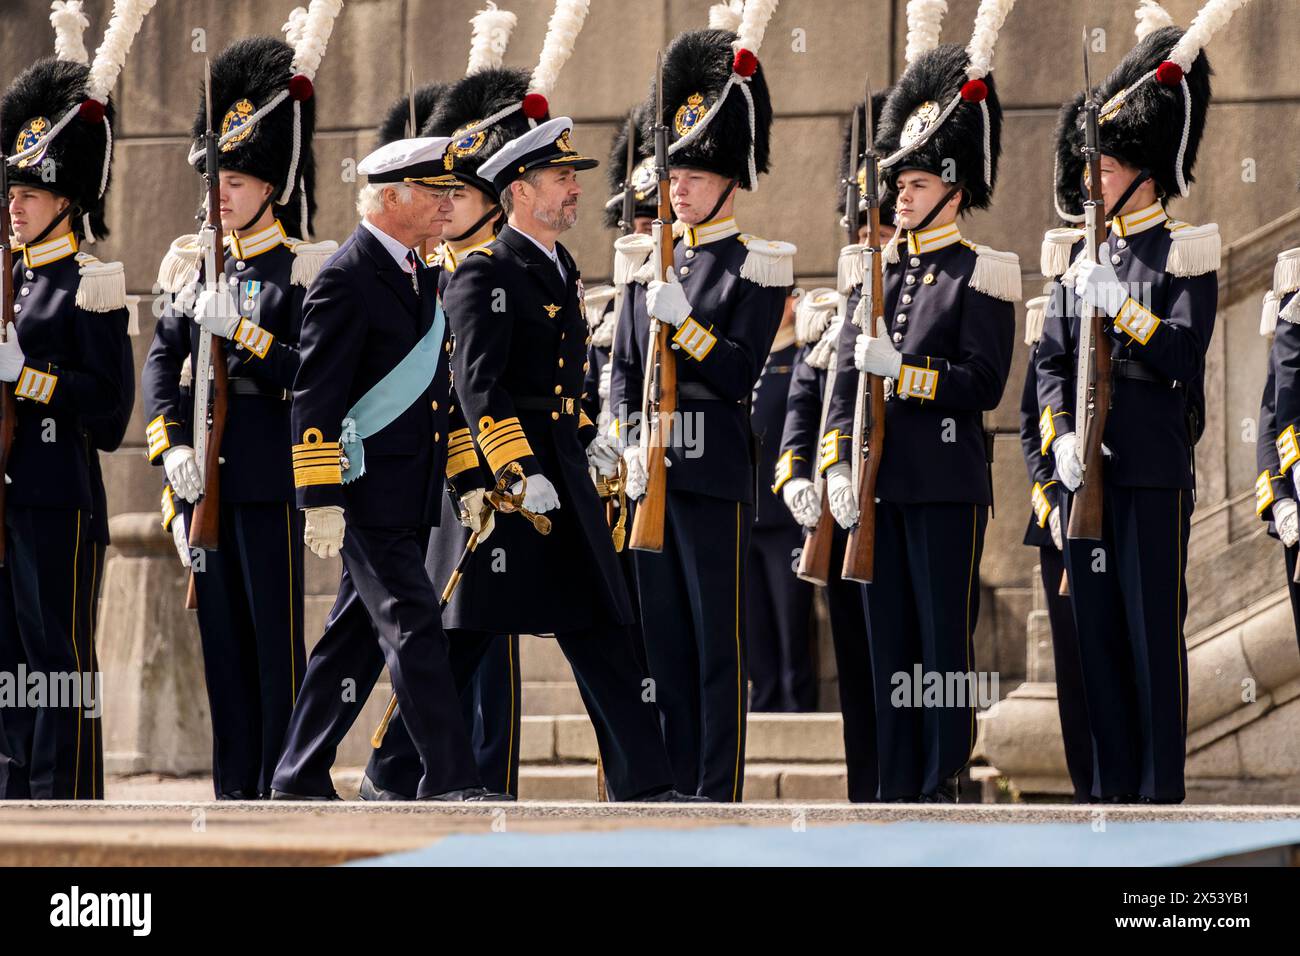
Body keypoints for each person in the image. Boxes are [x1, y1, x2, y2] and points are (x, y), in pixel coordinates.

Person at [1035, 12, 1235, 802]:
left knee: (1152, 639)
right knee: (1096, 642)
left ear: (1144, 173)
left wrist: (1123, 308)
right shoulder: (1078, 255)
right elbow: (1051, 366)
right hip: (1086, 474)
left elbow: (1185, 359)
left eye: (1106, 171)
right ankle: (1108, 801)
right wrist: (1057, 442)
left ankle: (1158, 802)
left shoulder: (1184, 252)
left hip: (1151, 472)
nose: (1092, 186)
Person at [823, 17, 1021, 802]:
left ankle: (944, 775)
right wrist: (836, 456)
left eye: (915, 186)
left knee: (942, 645)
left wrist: (902, 373)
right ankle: (896, 782)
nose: (900, 197)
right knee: (885, 643)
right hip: (877, 483)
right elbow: (842, 379)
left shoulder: (984, 272)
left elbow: (981, 384)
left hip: (942, 482)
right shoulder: (871, 270)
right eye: (898, 186)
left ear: (954, 190)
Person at [143, 20, 339, 800]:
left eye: (236, 180)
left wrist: (246, 333)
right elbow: (163, 364)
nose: (220, 194)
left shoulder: (304, 269)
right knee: (220, 652)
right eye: (214, 180)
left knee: (273, 653)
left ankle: (282, 791)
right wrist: (170, 452)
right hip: (202, 482)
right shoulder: (189, 263)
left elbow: (312, 376)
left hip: (265, 479)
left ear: (272, 185)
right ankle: (233, 799)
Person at [269, 136, 499, 801]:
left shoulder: (421, 270)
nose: (448, 205)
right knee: (415, 623)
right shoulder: (347, 274)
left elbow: (437, 393)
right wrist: (320, 495)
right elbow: (317, 392)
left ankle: (296, 773)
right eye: (436, 194)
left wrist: (466, 478)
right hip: (365, 490)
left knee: (353, 641)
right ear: (391, 198)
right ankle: (450, 779)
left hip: (411, 489)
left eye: (452, 193)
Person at [609, 18, 794, 801]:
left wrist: (685, 323)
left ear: (728, 176)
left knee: (718, 644)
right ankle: (671, 783)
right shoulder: (646, 259)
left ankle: (715, 790)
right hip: (649, 473)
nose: (675, 184)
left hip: (713, 471)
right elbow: (621, 369)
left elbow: (741, 370)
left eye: (692, 171)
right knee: (664, 645)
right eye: (672, 170)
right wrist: (621, 436)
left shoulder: (756, 265)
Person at [0, 0, 148, 798]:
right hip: (6, 494)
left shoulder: (90, 285)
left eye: (28, 193)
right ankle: (15, 785)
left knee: (57, 655)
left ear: (65, 198)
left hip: (59, 498)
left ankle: (67, 790)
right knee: (7, 657)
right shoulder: (7, 280)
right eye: (11, 192)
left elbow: (109, 411)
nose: (14, 205)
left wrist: (26, 377)